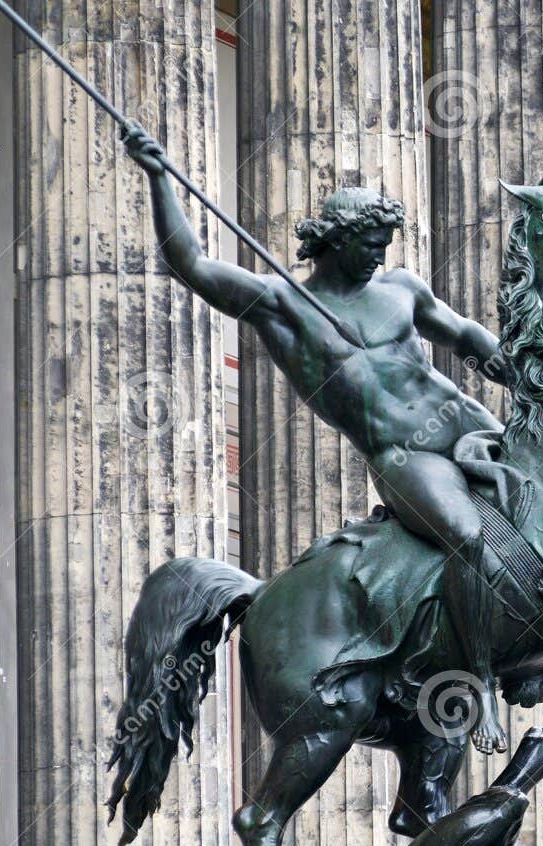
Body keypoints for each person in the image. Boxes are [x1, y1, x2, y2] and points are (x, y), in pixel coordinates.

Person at [124, 125, 514, 753]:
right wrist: (159, 177)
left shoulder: (400, 288)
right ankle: (482, 687)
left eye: (384, 246)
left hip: (465, 421)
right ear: (332, 242)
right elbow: (190, 265)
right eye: (367, 246)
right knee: (469, 540)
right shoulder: (285, 306)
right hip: (404, 454)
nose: (376, 258)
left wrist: (503, 359)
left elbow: (463, 332)